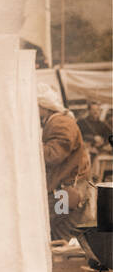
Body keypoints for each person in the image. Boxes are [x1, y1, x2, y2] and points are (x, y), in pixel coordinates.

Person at [38, 84, 93, 242]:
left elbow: (53, 155)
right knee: (61, 233)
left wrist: (29, 146)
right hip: (65, 191)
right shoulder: (58, 121)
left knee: (61, 234)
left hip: (65, 192)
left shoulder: (60, 123)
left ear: (44, 105)